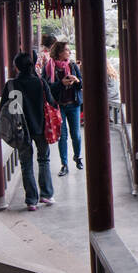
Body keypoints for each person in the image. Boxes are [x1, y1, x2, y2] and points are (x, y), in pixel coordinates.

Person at [4, 51, 57, 211]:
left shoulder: (12, 85)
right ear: (33, 65)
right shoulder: (40, 83)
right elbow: (52, 102)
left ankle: (31, 200)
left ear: (16, 67)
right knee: (44, 160)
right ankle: (46, 194)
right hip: (40, 127)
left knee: (26, 164)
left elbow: (4, 109)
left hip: (20, 130)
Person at [45, 40, 83, 176]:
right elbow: (47, 87)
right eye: (67, 50)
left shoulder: (72, 66)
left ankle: (77, 157)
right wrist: (61, 83)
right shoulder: (49, 67)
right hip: (59, 105)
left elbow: (81, 84)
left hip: (73, 104)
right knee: (63, 136)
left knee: (76, 135)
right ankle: (64, 164)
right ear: (59, 52)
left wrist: (76, 81)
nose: (69, 52)